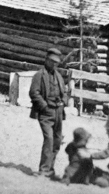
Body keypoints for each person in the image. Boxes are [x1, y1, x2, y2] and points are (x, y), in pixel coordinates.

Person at [29, 47, 68, 178]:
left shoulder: (59, 76)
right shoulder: (39, 75)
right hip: (46, 113)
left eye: (56, 62)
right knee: (49, 140)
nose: (54, 64)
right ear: (46, 60)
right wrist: (44, 106)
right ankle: (43, 169)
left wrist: (64, 101)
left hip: (58, 112)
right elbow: (34, 93)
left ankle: (50, 169)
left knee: (57, 141)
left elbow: (66, 92)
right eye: (51, 61)